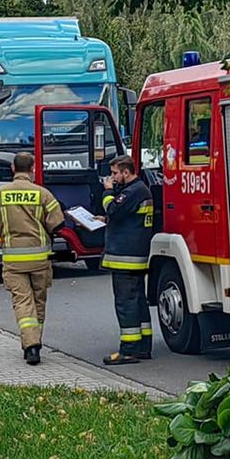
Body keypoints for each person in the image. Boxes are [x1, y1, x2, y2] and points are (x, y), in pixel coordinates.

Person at [0, 150, 64, 366]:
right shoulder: (43, 194)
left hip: (13, 260)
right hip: (39, 258)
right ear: (32, 169)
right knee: (38, 301)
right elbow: (58, 223)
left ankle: (31, 346)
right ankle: (35, 344)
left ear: (12, 169)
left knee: (22, 302)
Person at [101, 154, 156, 364]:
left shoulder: (133, 190)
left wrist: (107, 192)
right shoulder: (138, 190)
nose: (112, 178)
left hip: (126, 258)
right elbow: (126, 217)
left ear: (126, 172)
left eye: (115, 173)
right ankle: (143, 346)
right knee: (138, 301)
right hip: (135, 256)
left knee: (126, 304)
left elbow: (113, 208)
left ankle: (129, 349)